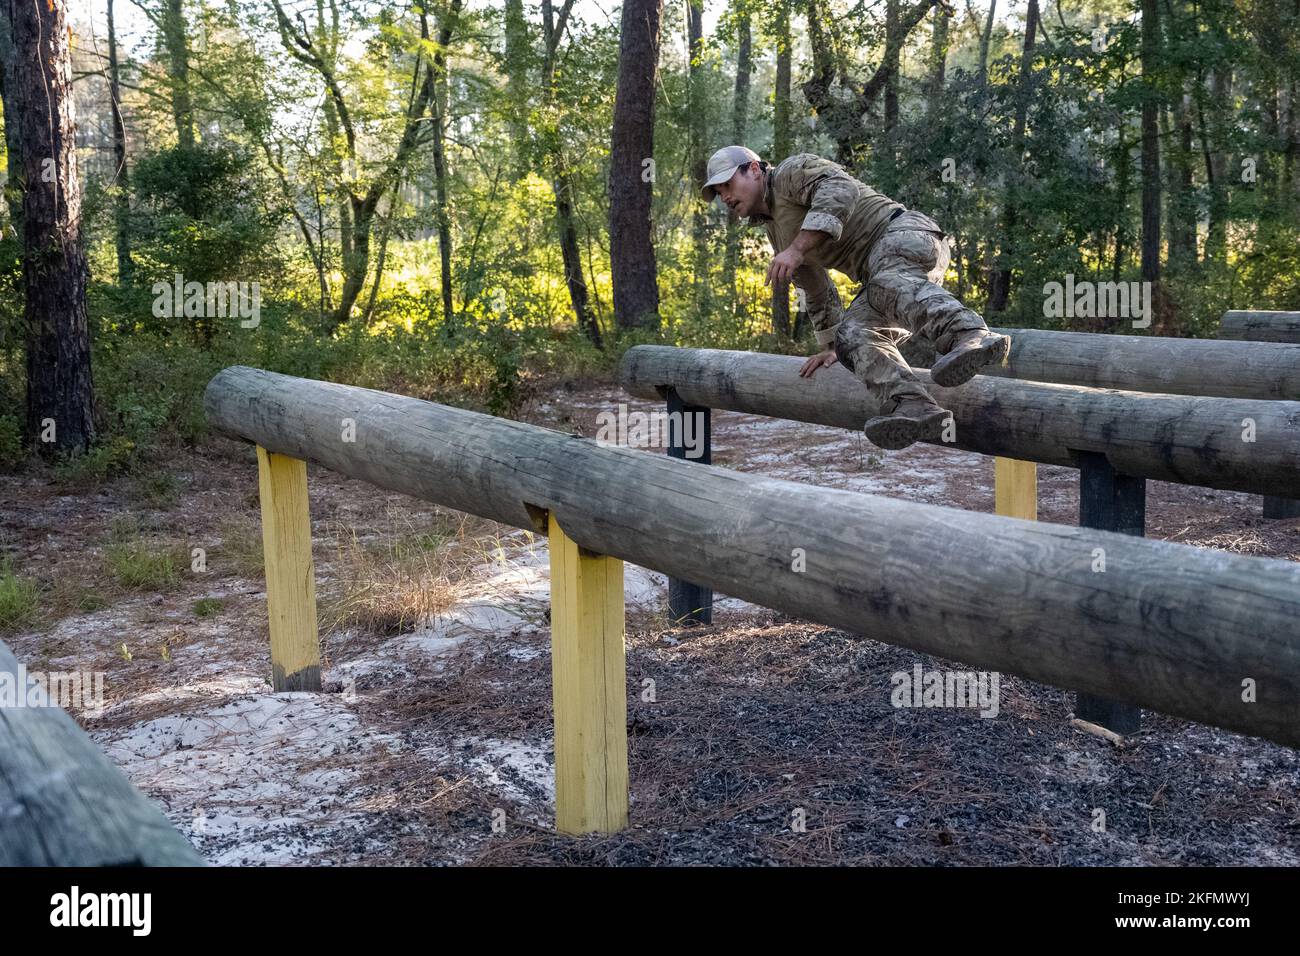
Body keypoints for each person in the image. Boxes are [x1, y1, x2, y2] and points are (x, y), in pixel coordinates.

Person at [702, 145, 1011, 450]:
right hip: (880, 279)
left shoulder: (790, 172)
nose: (725, 197)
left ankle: (970, 334)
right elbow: (815, 287)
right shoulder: (776, 233)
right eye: (718, 192)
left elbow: (841, 187)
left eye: (728, 184)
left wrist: (797, 249)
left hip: (905, 234)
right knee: (851, 337)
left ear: (754, 169)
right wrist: (830, 346)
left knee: (885, 281)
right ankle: (913, 405)